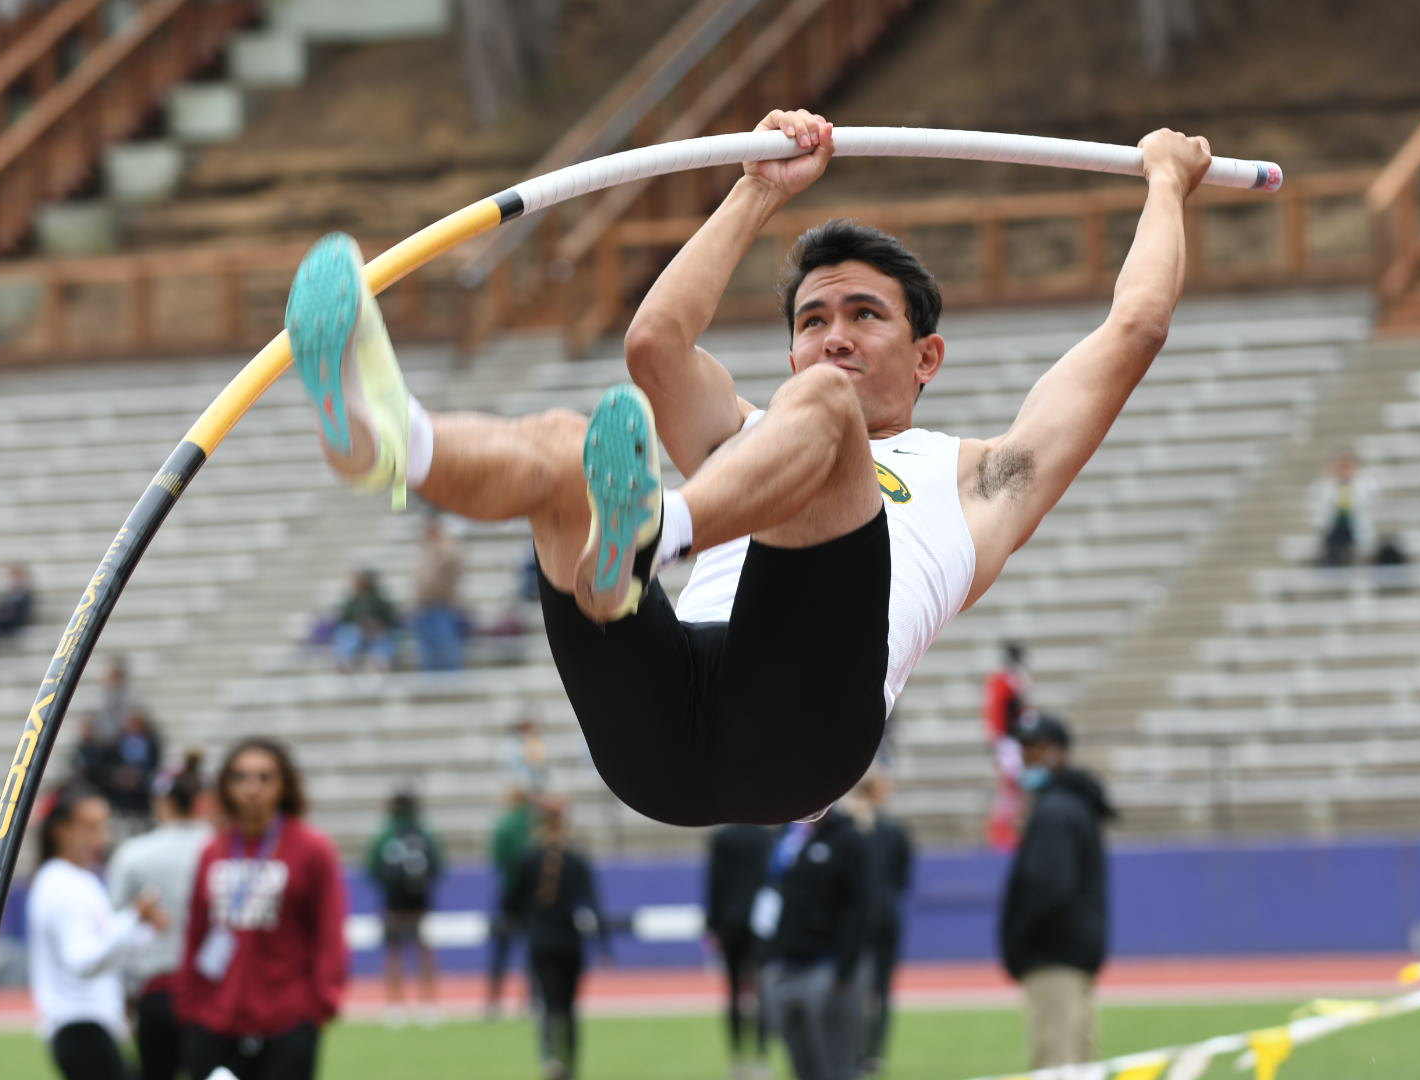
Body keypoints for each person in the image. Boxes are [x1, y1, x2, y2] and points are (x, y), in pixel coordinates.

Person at [282, 106, 1212, 827]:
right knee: (571, 447)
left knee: (814, 416)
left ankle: (655, 533)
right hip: (660, 734)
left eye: (863, 315)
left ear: (927, 357)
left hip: (804, 737)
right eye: (812, 320)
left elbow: (1134, 327)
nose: (832, 338)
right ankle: (392, 442)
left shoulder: (983, 477)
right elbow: (655, 341)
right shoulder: (748, 437)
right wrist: (757, 189)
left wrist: (1165, 183)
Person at [176, 737, 348, 1080]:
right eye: (240, 777)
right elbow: (197, 930)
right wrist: (192, 1005)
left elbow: (330, 931)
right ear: (225, 786)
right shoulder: (213, 851)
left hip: (288, 1018)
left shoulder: (313, 848)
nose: (252, 788)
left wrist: (320, 1003)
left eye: (264, 777)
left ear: (285, 784)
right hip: (217, 1018)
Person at [999, 713, 1116, 1071]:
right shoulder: (1072, 805)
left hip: (1053, 955)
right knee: (1078, 1063)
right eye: (1022, 749)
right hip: (1073, 952)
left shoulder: (1055, 811)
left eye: (1034, 748)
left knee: (1055, 1062)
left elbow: (1048, 889)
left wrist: (1020, 942)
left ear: (1058, 752)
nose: (1026, 758)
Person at [28, 785, 169, 1080]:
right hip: (78, 1026)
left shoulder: (83, 879)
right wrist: (132, 919)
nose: (100, 836)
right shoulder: (58, 883)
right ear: (60, 830)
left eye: (103, 825)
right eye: (89, 826)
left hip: (94, 1027)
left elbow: (107, 957)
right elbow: (82, 960)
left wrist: (145, 931)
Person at [107, 751, 213, 1080]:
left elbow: (115, 929)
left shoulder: (133, 854)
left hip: (154, 992)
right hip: (211, 992)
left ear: (162, 802)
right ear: (201, 801)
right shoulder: (219, 847)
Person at [756, 806, 871, 1080]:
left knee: (837, 1065)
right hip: (785, 964)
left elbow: (859, 906)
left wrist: (845, 968)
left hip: (827, 964)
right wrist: (766, 956)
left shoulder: (847, 838)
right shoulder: (786, 836)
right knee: (800, 1065)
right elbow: (770, 897)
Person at [504, 799, 610, 1080]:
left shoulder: (528, 858)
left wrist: (526, 920)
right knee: (569, 1007)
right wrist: (605, 945)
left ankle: (551, 1060)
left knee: (548, 1005)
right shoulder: (576, 860)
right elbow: (593, 904)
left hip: (541, 942)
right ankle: (572, 1064)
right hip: (570, 943)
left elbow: (509, 902)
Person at [368, 789, 446, 1027]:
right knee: (425, 952)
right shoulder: (426, 833)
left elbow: (372, 866)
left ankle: (395, 1006)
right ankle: (429, 1005)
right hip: (421, 903)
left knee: (394, 952)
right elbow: (439, 865)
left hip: (393, 904)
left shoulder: (385, 834)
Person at [705, 822, 776, 1078]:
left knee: (734, 991)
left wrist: (712, 924)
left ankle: (736, 1057)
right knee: (761, 991)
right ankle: (761, 1055)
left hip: (730, 921)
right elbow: (773, 880)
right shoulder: (767, 836)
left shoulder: (722, 838)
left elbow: (715, 882)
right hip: (760, 923)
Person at [856, 767, 914, 1077]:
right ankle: (873, 1052)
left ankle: (862, 1050)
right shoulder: (892, 832)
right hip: (883, 918)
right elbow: (902, 878)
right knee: (879, 989)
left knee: (857, 987)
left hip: (861, 921)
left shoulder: (853, 830)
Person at [486, 787, 539, 1018]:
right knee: (534, 950)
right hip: (534, 896)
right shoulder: (536, 824)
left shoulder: (505, 826)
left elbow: (498, 858)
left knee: (501, 950)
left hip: (509, 895)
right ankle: (531, 1000)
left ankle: (494, 1001)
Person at [983, 643, 1031, 851]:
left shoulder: (1015, 678)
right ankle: (999, 831)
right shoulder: (1004, 679)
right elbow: (996, 710)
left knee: (1014, 787)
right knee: (1009, 786)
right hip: (1008, 740)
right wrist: (996, 738)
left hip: (1014, 739)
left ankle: (1007, 828)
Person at [412, 516, 466, 672]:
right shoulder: (426, 549)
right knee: (427, 645)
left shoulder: (447, 549)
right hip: (424, 604)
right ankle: (429, 679)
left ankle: (453, 677)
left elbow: (455, 566)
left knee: (447, 643)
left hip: (442, 603)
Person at [1308, 453, 1379, 569]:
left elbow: (1373, 497)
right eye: (1341, 467)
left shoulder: (1363, 483)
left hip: (1354, 528)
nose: (1344, 471)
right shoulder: (1327, 485)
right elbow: (1315, 499)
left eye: (1347, 467)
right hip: (1335, 529)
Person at [332, 568, 400, 673]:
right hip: (357, 632)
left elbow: (390, 618)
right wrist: (360, 625)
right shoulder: (352, 601)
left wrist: (376, 625)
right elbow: (343, 620)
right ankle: (345, 661)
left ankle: (380, 661)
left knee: (385, 637)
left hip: (377, 632)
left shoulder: (379, 600)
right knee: (347, 634)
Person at [109, 708, 162, 821]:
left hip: (144, 773)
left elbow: (153, 760)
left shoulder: (150, 739)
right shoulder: (122, 738)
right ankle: (124, 812)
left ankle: (143, 813)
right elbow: (116, 758)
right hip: (126, 773)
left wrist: (141, 773)